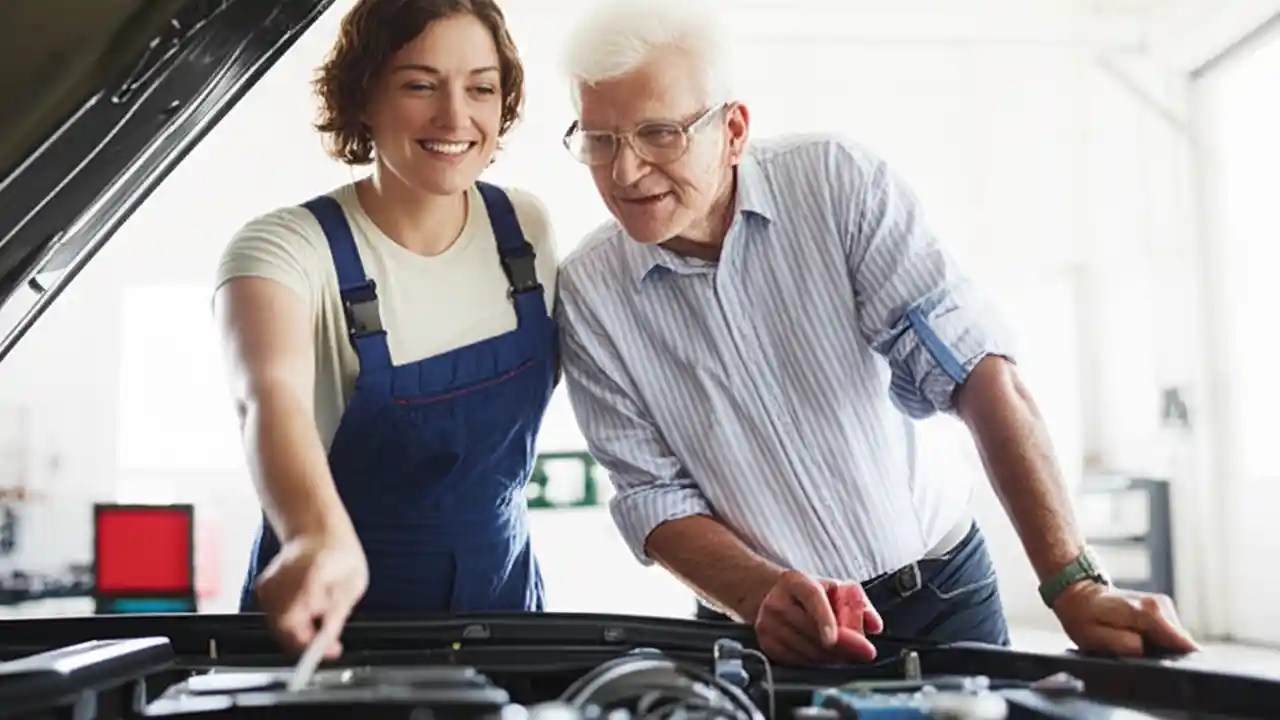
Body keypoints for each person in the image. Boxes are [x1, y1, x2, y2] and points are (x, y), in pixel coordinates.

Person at [553, 0, 1200, 666]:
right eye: (600, 141)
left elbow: (975, 371)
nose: (624, 172)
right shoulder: (590, 293)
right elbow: (653, 494)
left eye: (660, 133)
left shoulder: (836, 184)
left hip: (940, 595)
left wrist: (1075, 584)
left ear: (735, 129)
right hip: (765, 623)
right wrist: (762, 594)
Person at [213, 0, 558, 659]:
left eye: (481, 88)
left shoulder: (525, 229)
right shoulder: (286, 249)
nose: (456, 117)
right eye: (420, 85)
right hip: (340, 632)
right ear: (364, 96)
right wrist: (315, 537)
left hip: (510, 625)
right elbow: (268, 396)